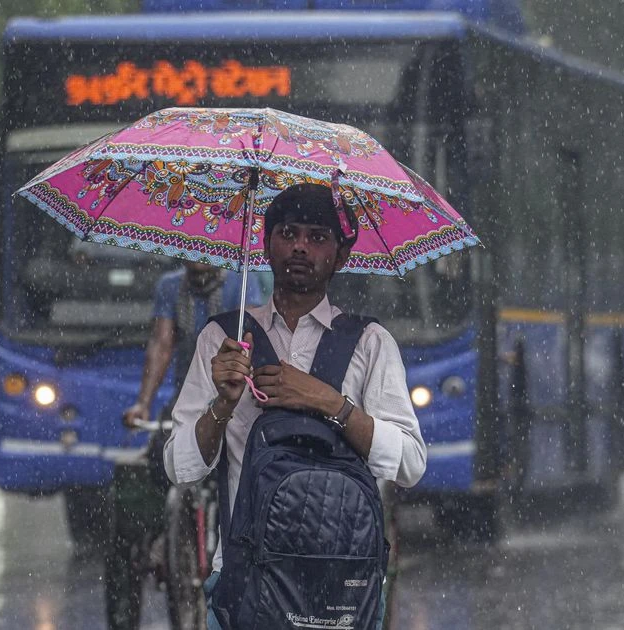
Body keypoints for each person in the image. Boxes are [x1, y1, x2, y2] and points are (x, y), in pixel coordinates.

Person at [162, 183, 427, 629]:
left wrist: (327, 401)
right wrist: (222, 405)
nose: (301, 246)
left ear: (340, 257)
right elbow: (180, 467)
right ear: (265, 246)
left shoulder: (370, 343)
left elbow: (409, 464)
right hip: (247, 579)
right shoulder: (222, 340)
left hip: (342, 580)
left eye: (318, 237)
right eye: (288, 233)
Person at [105, 261, 264, 630]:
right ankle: (166, 538)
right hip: (187, 402)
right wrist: (143, 402)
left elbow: (251, 338)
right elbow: (162, 344)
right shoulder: (169, 287)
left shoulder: (243, 285)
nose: (198, 258)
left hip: (234, 402)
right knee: (160, 456)